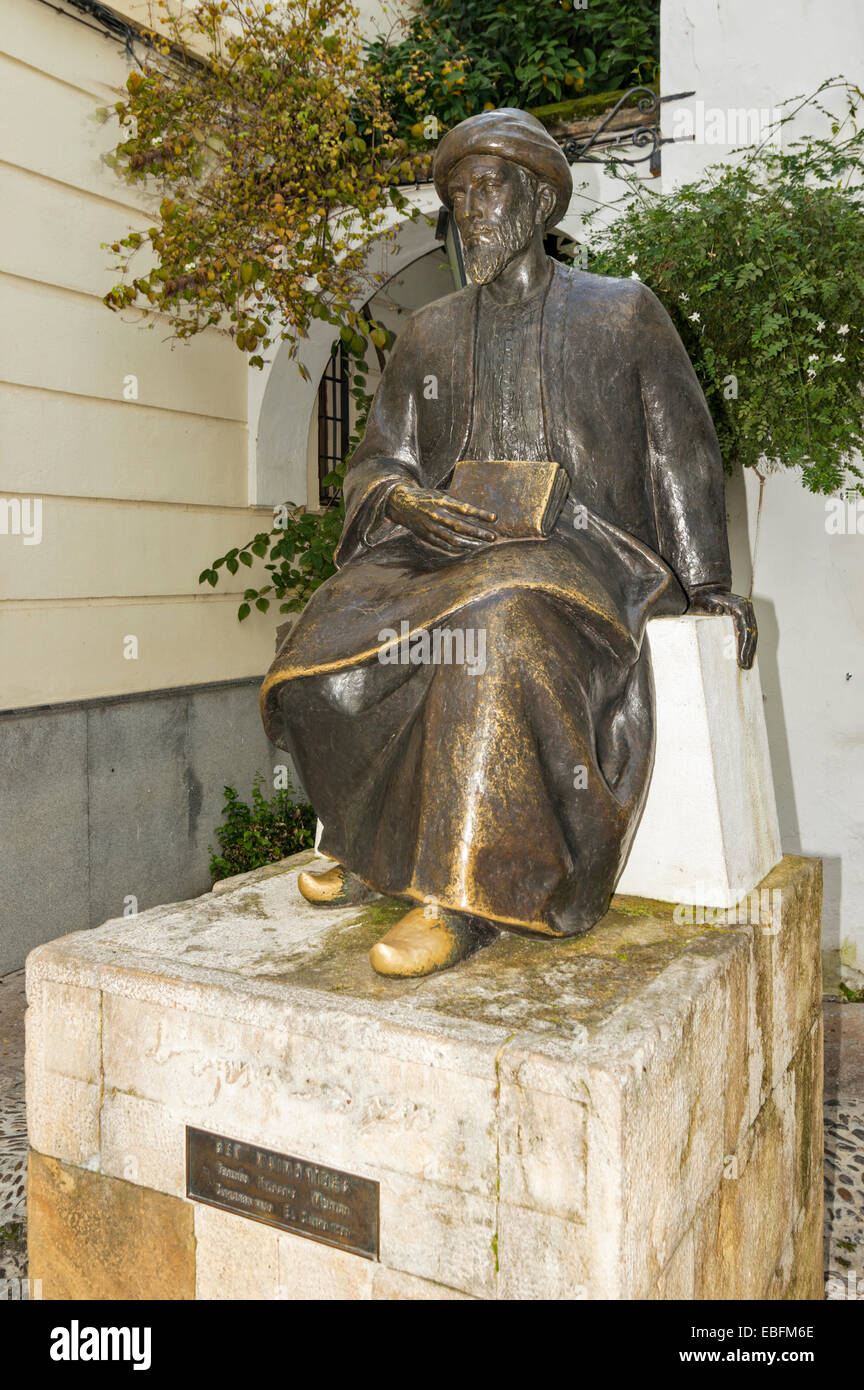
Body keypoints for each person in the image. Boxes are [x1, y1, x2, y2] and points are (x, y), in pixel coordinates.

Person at [260, 108, 756, 979]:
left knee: (495, 630)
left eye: (485, 187)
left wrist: (708, 583)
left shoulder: (621, 311)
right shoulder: (432, 331)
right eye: (456, 195)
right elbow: (380, 461)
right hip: (445, 552)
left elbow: (681, 447)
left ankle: (457, 895)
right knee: (324, 632)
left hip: (586, 555)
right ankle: (371, 845)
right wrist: (407, 504)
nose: (469, 207)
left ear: (537, 199)